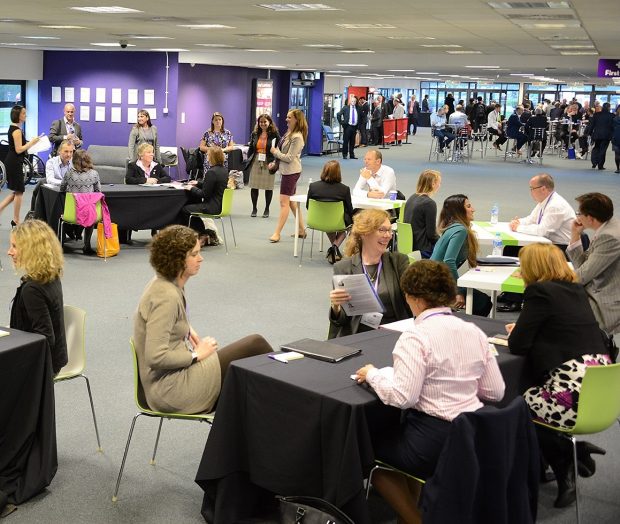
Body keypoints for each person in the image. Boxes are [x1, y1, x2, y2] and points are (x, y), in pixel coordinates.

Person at [355, 260, 505, 524]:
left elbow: (403, 397)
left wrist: (373, 375)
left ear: (413, 298)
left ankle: (416, 520)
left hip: (433, 440)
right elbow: (496, 392)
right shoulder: (474, 331)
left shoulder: (415, 337)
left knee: (366, 454)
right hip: (473, 435)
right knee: (402, 453)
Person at [506, 243, 611, 508]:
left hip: (571, 390)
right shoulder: (576, 291)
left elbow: (518, 344)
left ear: (534, 267)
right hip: (602, 389)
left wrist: (518, 330)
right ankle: (554, 457)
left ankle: (565, 457)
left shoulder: (539, 292)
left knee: (512, 404)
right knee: (532, 392)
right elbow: (562, 329)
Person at [133, 225, 273, 414]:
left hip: (171, 379)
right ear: (178, 260)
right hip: (170, 390)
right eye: (194, 254)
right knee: (256, 345)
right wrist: (196, 354)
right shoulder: (166, 296)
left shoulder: (166, 282)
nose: (201, 258)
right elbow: (155, 356)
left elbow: (163, 322)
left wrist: (185, 327)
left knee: (246, 375)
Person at [328, 209, 411, 339]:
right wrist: (336, 306)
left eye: (390, 230)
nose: (388, 235)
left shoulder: (398, 262)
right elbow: (341, 321)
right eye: (382, 230)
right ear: (365, 233)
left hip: (393, 334)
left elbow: (414, 299)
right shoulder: (344, 268)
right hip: (359, 335)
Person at [8, 219, 67, 376]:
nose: (9, 252)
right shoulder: (51, 276)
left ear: (31, 249)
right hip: (56, 358)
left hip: (41, 366)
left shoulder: (32, 290)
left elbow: (45, 338)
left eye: (15, 246)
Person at [566, 193, 620, 336]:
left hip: (606, 302)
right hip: (599, 288)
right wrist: (575, 235)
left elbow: (582, 275)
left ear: (590, 218)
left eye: (579, 212)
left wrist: (548, 279)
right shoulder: (609, 226)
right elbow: (583, 267)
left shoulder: (609, 237)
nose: (577, 215)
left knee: (555, 307)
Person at [430, 194, 492, 317]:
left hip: (436, 279)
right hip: (437, 283)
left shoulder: (453, 227)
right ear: (459, 211)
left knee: (482, 301)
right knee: (483, 303)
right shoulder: (460, 230)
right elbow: (449, 261)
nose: (473, 209)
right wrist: (457, 291)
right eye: (468, 206)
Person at [268, 108, 307, 243]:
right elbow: (282, 151)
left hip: (291, 172)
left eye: (289, 117)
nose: (286, 119)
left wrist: (274, 152)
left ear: (297, 119)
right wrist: (275, 162)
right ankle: (302, 230)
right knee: (290, 202)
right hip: (286, 171)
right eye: (287, 117)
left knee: (283, 203)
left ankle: (277, 233)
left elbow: (289, 158)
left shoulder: (297, 137)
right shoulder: (289, 133)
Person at [0, 105, 41, 226]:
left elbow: (20, 146)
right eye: (24, 113)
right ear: (18, 115)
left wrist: (32, 142)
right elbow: (18, 149)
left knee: (17, 191)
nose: (25, 115)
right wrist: (32, 143)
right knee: (19, 191)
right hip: (14, 162)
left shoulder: (14, 128)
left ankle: (6, 213)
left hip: (13, 161)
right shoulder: (17, 130)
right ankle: (16, 220)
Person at [306, 160, 353, 264]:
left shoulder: (313, 187)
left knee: (328, 219)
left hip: (318, 220)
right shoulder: (344, 189)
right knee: (350, 222)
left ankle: (333, 248)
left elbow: (307, 206)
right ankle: (335, 246)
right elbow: (350, 210)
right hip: (336, 221)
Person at [181, 147, 229, 243]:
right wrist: (198, 183)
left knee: (185, 209)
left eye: (208, 155)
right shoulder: (223, 170)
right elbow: (213, 185)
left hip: (211, 207)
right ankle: (202, 233)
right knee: (192, 208)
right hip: (220, 205)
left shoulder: (211, 172)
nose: (206, 157)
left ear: (212, 157)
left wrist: (192, 188)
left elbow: (204, 194)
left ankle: (200, 234)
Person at [59, 149, 102, 254]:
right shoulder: (94, 174)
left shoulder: (68, 174)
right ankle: (86, 245)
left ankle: (66, 240)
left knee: (66, 213)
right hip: (88, 213)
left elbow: (62, 189)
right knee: (90, 215)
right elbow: (98, 192)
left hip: (72, 213)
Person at [246, 113, 280, 218]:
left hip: (268, 160)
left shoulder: (275, 134)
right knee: (254, 186)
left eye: (265, 122)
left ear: (269, 122)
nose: (263, 124)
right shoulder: (255, 133)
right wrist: (249, 158)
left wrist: (275, 162)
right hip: (256, 160)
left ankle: (266, 209)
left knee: (268, 187)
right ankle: (254, 208)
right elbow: (251, 147)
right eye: (261, 122)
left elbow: (279, 148)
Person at [403, 169, 441, 259]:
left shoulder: (412, 197)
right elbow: (431, 234)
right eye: (439, 183)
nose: (439, 185)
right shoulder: (429, 203)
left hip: (410, 244)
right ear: (433, 184)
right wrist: (442, 242)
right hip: (423, 248)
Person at [587, 102, 614, 170]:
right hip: (606, 135)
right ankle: (600, 165)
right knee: (603, 150)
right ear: (609, 108)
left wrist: (589, 133)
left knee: (596, 147)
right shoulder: (611, 115)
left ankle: (594, 162)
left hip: (597, 134)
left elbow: (592, 125)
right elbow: (613, 126)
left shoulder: (596, 114)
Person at [337, 95, 359, 160]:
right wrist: (341, 122)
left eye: (355, 101)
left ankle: (352, 155)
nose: (353, 102)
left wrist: (359, 125)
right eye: (352, 101)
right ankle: (345, 154)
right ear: (350, 101)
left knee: (352, 142)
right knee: (346, 141)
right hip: (347, 127)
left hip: (354, 127)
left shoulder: (358, 108)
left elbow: (361, 117)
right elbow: (338, 114)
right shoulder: (345, 108)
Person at [612, 105, 620, 173]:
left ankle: (618, 168)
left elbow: (611, 128)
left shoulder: (614, 119)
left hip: (616, 137)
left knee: (617, 154)